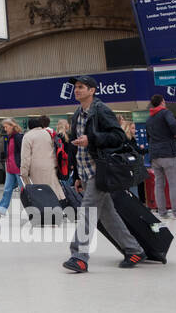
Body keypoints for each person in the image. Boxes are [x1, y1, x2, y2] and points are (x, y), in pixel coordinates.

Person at [62, 75, 146, 273]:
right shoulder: (77, 114)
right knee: (108, 215)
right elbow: (76, 147)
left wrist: (91, 139)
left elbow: (118, 137)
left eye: (81, 87)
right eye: (76, 87)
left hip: (101, 170)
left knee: (87, 212)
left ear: (92, 90)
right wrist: (76, 177)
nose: (77, 90)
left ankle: (79, 256)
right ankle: (134, 249)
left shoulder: (101, 110)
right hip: (85, 171)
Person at [146, 95, 176, 219]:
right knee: (173, 183)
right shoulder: (165, 113)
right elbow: (173, 124)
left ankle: (162, 212)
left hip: (154, 155)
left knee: (158, 184)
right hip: (167, 153)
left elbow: (149, 137)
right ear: (162, 102)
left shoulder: (149, 119)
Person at [19, 115, 62, 199]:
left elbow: (25, 157)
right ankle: (56, 209)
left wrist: (24, 172)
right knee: (53, 192)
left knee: (40, 195)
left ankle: (44, 211)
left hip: (36, 169)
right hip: (50, 167)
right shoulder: (48, 134)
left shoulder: (27, 136)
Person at [0, 118, 24, 216]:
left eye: (6, 127)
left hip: (18, 168)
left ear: (12, 126)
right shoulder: (9, 138)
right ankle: (2, 209)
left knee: (24, 191)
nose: (5, 129)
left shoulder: (18, 137)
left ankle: (32, 208)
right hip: (10, 168)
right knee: (7, 189)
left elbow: (23, 152)